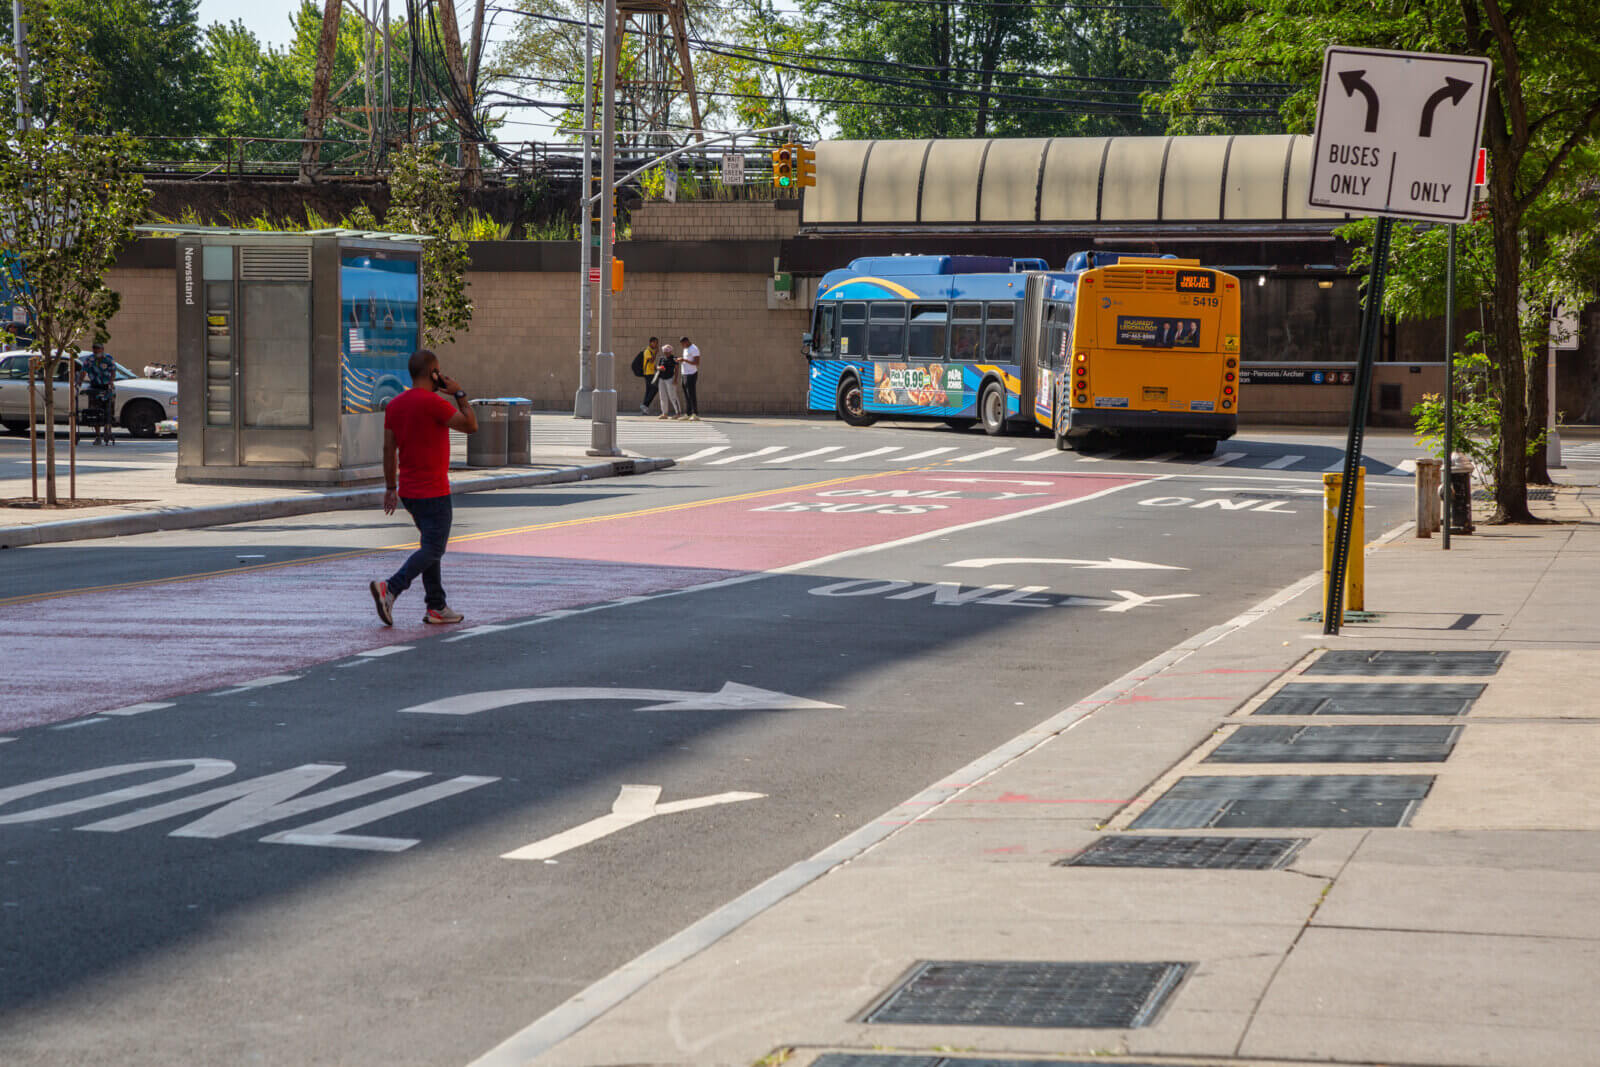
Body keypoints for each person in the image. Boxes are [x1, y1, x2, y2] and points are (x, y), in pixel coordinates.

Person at [369, 349, 479, 627]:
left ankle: (436, 606)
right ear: (433, 374)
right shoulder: (434, 404)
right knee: (433, 548)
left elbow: (388, 449)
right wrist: (459, 393)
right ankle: (391, 588)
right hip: (434, 490)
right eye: (438, 371)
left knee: (430, 546)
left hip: (408, 490)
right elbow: (471, 425)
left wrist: (390, 487)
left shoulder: (394, 405)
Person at [81, 343, 117, 446]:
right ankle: (97, 436)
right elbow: (83, 372)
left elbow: (113, 372)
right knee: (95, 412)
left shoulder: (108, 358)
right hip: (95, 387)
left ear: (102, 349)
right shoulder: (89, 359)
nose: (96, 351)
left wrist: (111, 382)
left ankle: (107, 432)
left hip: (106, 387)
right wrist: (79, 382)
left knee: (108, 411)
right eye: (94, 349)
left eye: (98, 349)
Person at [654, 343, 684, 419]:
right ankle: (665, 413)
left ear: (670, 351)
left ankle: (678, 413)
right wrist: (659, 368)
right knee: (662, 396)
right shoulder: (661, 358)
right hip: (661, 379)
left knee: (673, 396)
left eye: (667, 352)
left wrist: (675, 379)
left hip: (670, 379)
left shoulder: (674, 358)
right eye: (664, 352)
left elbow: (677, 369)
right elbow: (657, 366)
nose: (666, 353)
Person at [634, 337, 660, 414]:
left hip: (651, 373)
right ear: (651, 342)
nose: (656, 344)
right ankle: (644, 405)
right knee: (655, 388)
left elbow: (652, 364)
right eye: (655, 342)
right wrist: (656, 353)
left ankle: (645, 407)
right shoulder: (647, 351)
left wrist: (657, 368)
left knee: (649, 391)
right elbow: (651, 360)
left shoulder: (651, 351)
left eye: (657, 343)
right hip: (648, 374)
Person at [678, 335, 701, 421]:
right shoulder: (685, 349)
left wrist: (684, 360)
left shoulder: (694, 348)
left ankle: (695, 414)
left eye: (683, 344)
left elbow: (697, 362)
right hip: (684, 374)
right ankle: (688, 413)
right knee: (686, 395)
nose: (682, 346)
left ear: (686, 341)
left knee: (691, 394)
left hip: (691, 374)